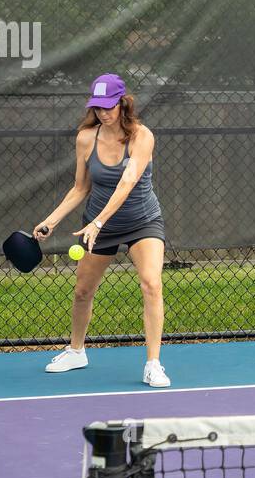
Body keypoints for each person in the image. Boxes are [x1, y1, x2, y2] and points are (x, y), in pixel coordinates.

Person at [33, 74, 171, 387]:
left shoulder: (142, 136)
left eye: (109, 106)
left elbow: (128, 182)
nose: (103, 112)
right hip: (98, 225)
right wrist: (50, 221)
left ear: (123, 104)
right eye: (98, 107)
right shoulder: (85, 138)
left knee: (151, 284)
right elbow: (81, 187)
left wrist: (99, 222)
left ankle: (153, 363)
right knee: (83, 291)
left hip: (142, 221)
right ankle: (77, 351)